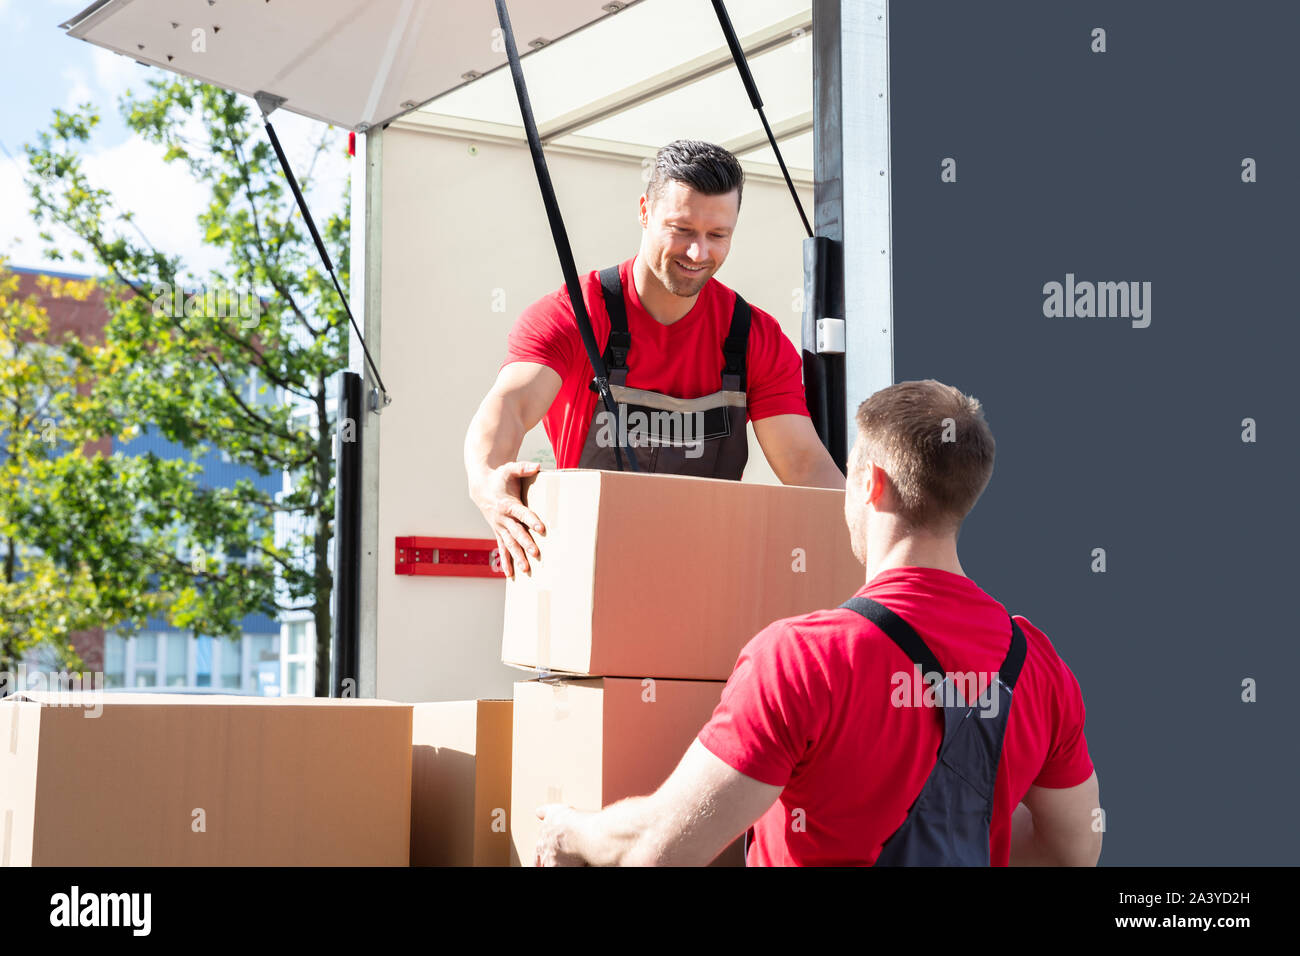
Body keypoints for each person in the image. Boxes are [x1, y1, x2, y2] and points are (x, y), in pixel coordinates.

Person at [532, 379, 1101, 866]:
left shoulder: (803, 658)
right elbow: (1071, 850)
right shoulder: (1036, 662)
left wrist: (567, 829)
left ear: (870, 484)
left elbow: (658, 849)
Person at [464, 139, 844, 579]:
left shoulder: (756, 336)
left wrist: (873, 534)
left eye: (718, 235)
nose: (699, 253)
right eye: (681, 230)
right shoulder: (575, 315)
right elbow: (512, 405)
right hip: (590, 576)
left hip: (708, 580)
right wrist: (487, 482)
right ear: (644, 211)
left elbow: (803, 462)